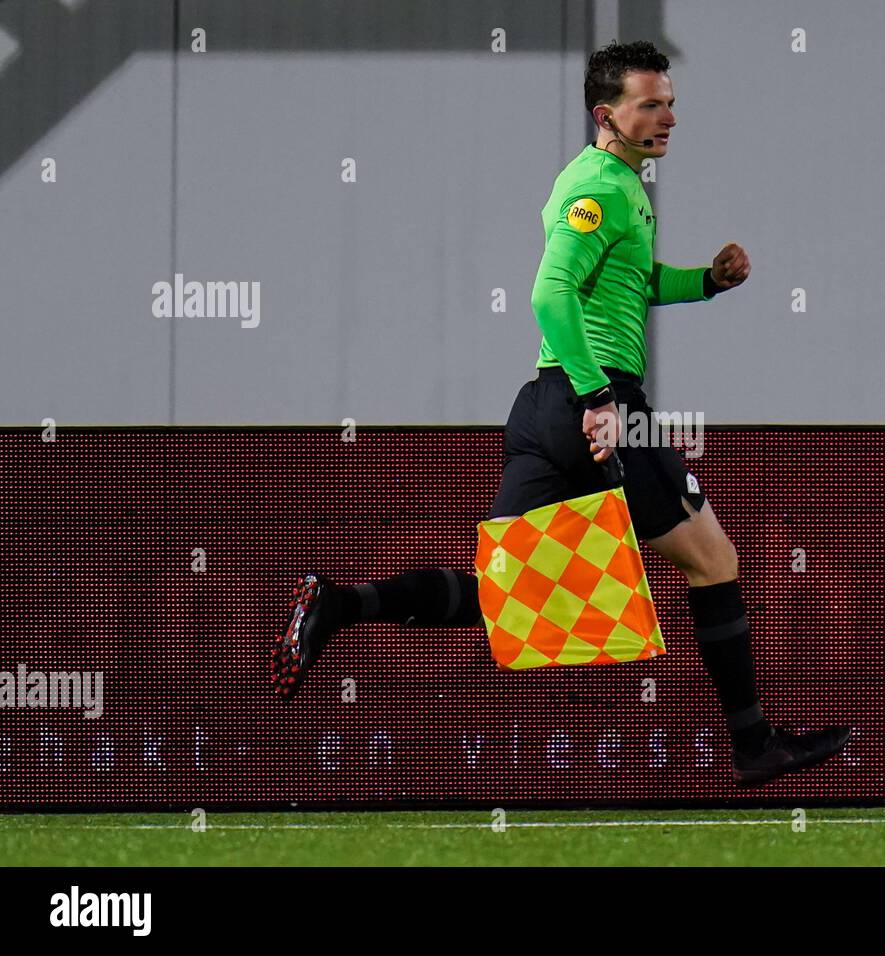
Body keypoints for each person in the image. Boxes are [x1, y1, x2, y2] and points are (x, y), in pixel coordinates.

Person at [273, 40, 851, 789]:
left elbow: (632, 283)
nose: (669, 115)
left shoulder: (618, 184)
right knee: (716, 562)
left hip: (546, 406)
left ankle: (339, 606)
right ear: (606, 115)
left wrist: (706, 281)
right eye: (651, 103)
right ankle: (754, 744)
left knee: (504, 596)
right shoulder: (600, 187)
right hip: (599, 406)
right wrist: (601, 400)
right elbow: (550, 294)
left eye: (671, 100)